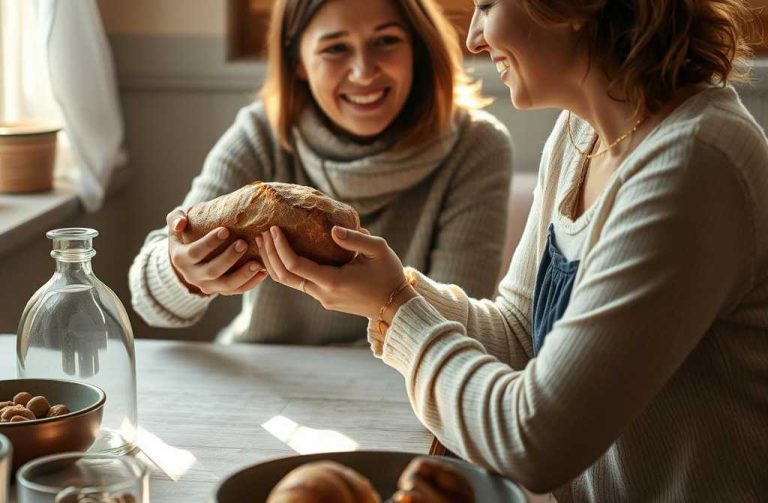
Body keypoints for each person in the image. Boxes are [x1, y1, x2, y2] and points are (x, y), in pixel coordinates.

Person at [257, 0, 768, 499]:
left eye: (487, 5)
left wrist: (398, 309)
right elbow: (520, 334)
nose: (473, 38)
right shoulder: (581, 133)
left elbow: (534, 442)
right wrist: (390, 289)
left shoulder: (693, 164)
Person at [129, 0, 513, 345]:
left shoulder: (475, 146)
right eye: (335, 48)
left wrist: (388, 297)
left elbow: (456, 331)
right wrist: (183, 271)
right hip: (264, 378)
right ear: (298, 62)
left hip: (401, 381)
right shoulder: (262, 134)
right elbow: (149, 300)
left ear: (417, 47)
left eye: (386, 41)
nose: (364, 72)